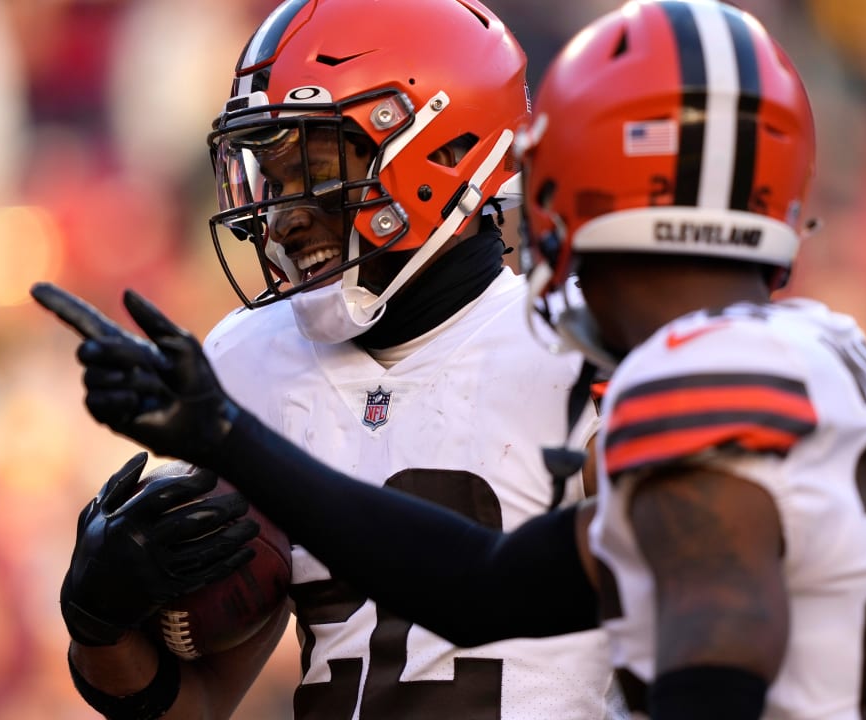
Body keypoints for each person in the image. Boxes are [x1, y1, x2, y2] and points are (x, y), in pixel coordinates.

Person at [35, 1, 866, 718]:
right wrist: (219, 452)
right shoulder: (823, 359)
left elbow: (709, 674)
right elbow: (483, 586)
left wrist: (230, 437)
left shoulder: (690, 384)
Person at [48, 0, 623, 718]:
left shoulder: (582, 350)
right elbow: (190, 708)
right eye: (274, 175)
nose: (285, 213)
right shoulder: (252, 359)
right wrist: (99, 626)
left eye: (316, 167)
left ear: (443, 152)